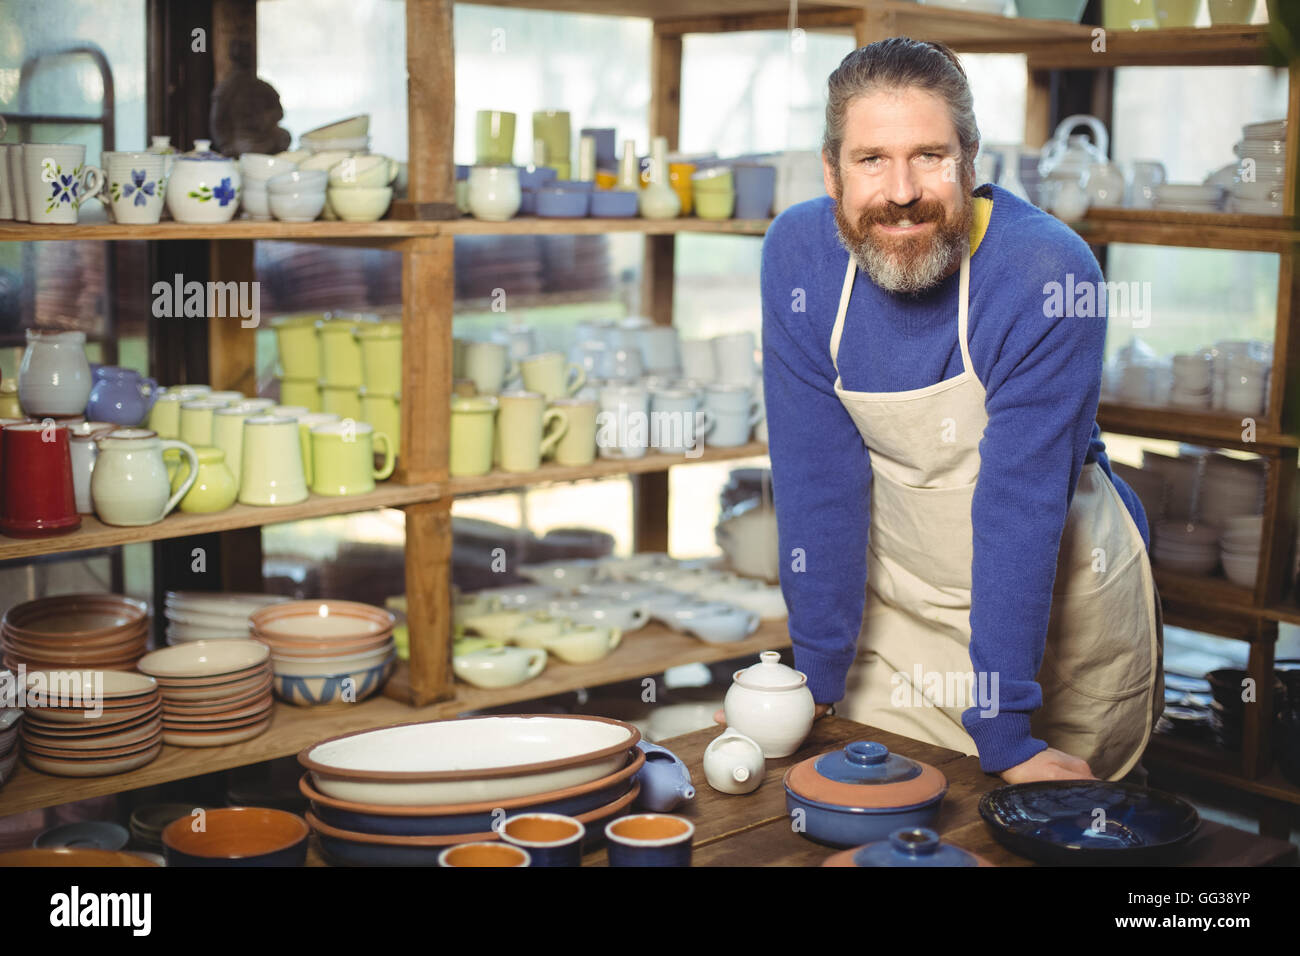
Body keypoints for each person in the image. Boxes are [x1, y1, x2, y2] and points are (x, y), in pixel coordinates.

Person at [760, 37, 1163, 784]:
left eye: (930, 156)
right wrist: (810, 685)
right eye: (871, 159)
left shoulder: (1046, 272)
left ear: (971, 162)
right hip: (903, 612)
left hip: (1053, 612)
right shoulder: (798, 258)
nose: (902, 189)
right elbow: (817, 480)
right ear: (831, 171)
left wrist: (1006, 732)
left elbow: (1021, 506)